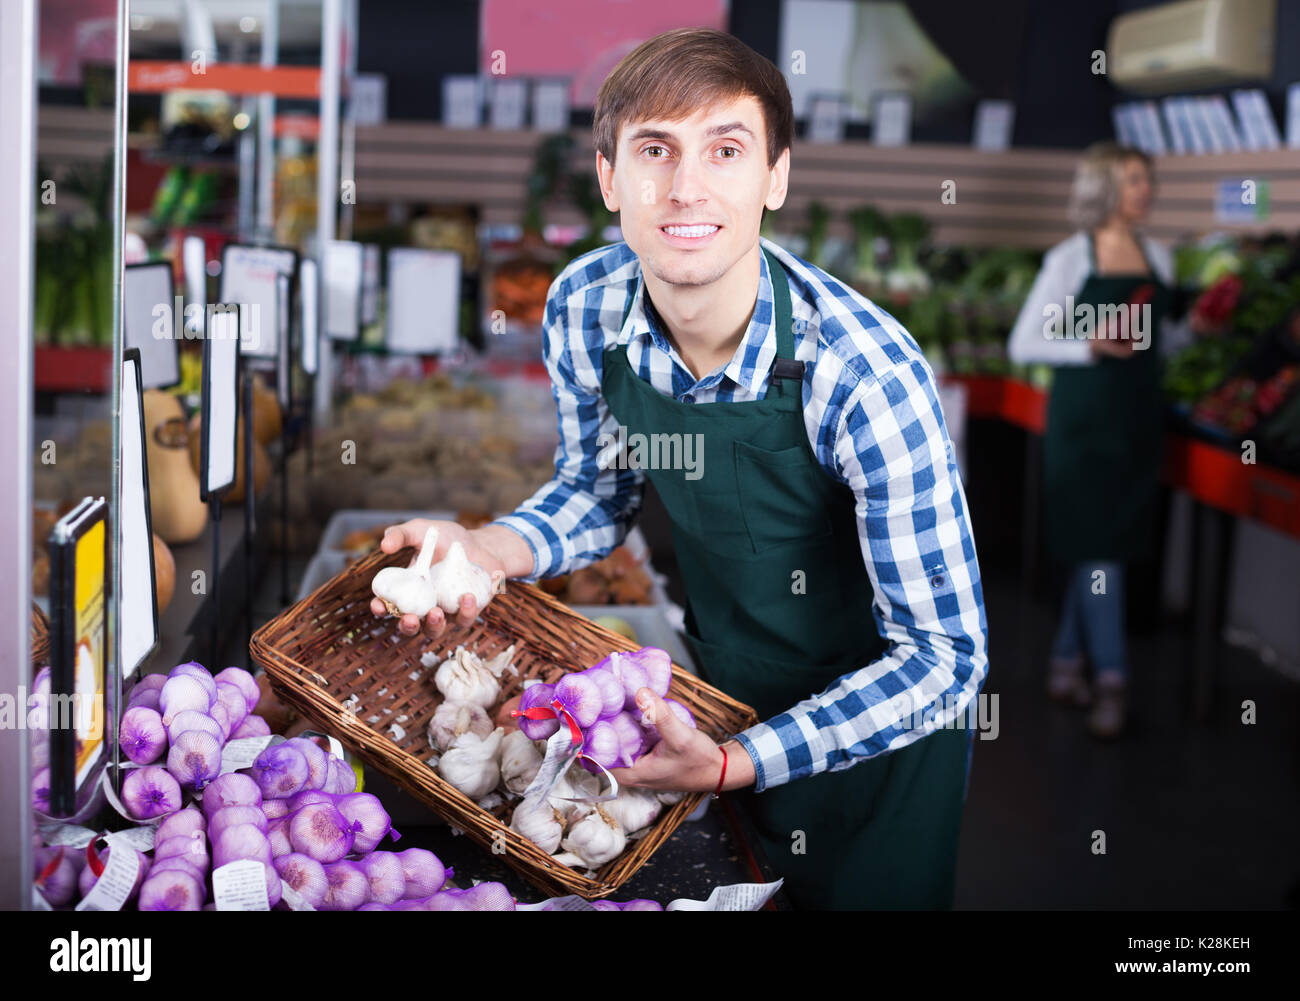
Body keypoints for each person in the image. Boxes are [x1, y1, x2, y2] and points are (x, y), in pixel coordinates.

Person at [371, 28, 988, 910]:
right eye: (654, 150)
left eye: (725, 151)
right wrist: (486, 550)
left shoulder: (861, 372)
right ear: (609, 176)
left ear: (775, 177)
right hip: (714, 691)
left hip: (881, 741)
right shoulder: (585, 307)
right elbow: (597, 489)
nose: (686, 188)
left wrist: (740, 760)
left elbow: (945, 656)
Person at [1008, 142, 1187, 739]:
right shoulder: (1070, 258)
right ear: (1107, 187)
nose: (1146, 191)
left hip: (1137, 422)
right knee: (1099, 550)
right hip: (1084, 426)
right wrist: (1090, 345)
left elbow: (1162, 341)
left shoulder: (1160, 257)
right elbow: (1025, 343)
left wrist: (1196, 328)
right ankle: (1112, 679)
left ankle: (1064, 665)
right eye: (1135, 180)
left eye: (1148, 180)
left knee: (1100, 551)